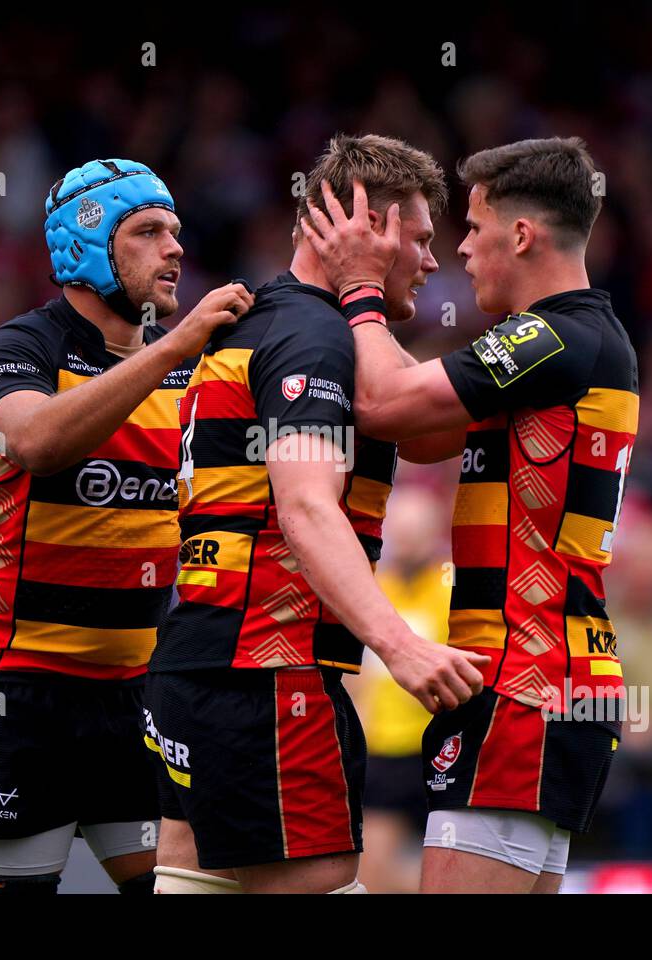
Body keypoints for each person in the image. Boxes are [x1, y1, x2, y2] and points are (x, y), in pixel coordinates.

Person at [145, 135, 488, 895]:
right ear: (367, 226)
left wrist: (363, 295)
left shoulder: (266, 322)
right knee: (325, 881)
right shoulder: (313, 339)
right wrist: (401, 645)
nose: (434, 263)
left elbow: (429, 429)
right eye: (423, 239)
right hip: (271, 673)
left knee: (196, 881)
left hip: (197, 665)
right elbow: (305, 503)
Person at [300, 137, 639, 893]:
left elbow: (385, 402)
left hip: (521, 681)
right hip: (556, 674)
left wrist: (357, 288)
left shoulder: (549, 338)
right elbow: (418, 436)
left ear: (521, 236)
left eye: (474, 228)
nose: (459, 248)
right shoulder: (583, 342)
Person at [0, 159, 253, 894]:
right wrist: (173, 348)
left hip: (140, 696)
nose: (175, 247)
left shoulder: (192, 373)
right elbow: (36, 441)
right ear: (86, 246)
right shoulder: (20, 348)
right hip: (18, 689)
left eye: (176, 230)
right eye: (147, 231)